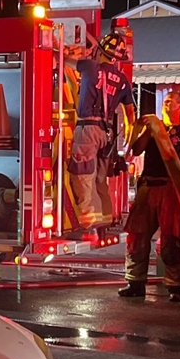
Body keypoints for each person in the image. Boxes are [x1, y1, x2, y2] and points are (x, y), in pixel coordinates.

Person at [120, 89, 180, 302]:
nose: (165, 105)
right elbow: (136, 150)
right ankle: (135, 282)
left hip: (172, 190)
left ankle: (174, 287)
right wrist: (149, 132)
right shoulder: (154, 130)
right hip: (148, 187)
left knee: (171, 240)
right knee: (136, 236)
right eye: (165, 102)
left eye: (169, 102)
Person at [70, 32, 134, 227]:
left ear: (101, 50)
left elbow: (60, 59)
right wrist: (127, 146)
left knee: (82, 173)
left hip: (87, 129)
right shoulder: (122, 80)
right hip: (106, 133)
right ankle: (106, 218)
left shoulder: (90, 67)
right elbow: (131, 116)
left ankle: (87, 219)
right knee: (100, 178)